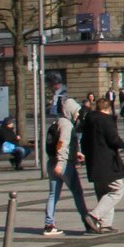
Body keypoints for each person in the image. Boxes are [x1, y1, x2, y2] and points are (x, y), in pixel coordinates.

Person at [42, 98, 92, 236]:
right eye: (76, 112)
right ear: (70, 111)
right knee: (77, 192)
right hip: (63, 164)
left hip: (52, 161)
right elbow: (62, 144)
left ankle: (49, 224)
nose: (78, 115)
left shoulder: (57, 122)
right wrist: (61, 162)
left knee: (53, 194)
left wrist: (75, 153)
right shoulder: (67, 125)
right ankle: (88, 221)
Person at [81, 96, 124, 232]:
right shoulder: (105, 120)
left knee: (103, 192)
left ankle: (105, 224)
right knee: (117, 190)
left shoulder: (89, 120)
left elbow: (83, 142)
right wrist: (121, 143)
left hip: (93, 161)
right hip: (107, 162)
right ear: (108, 108)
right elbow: (113, 139)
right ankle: (94, 216)